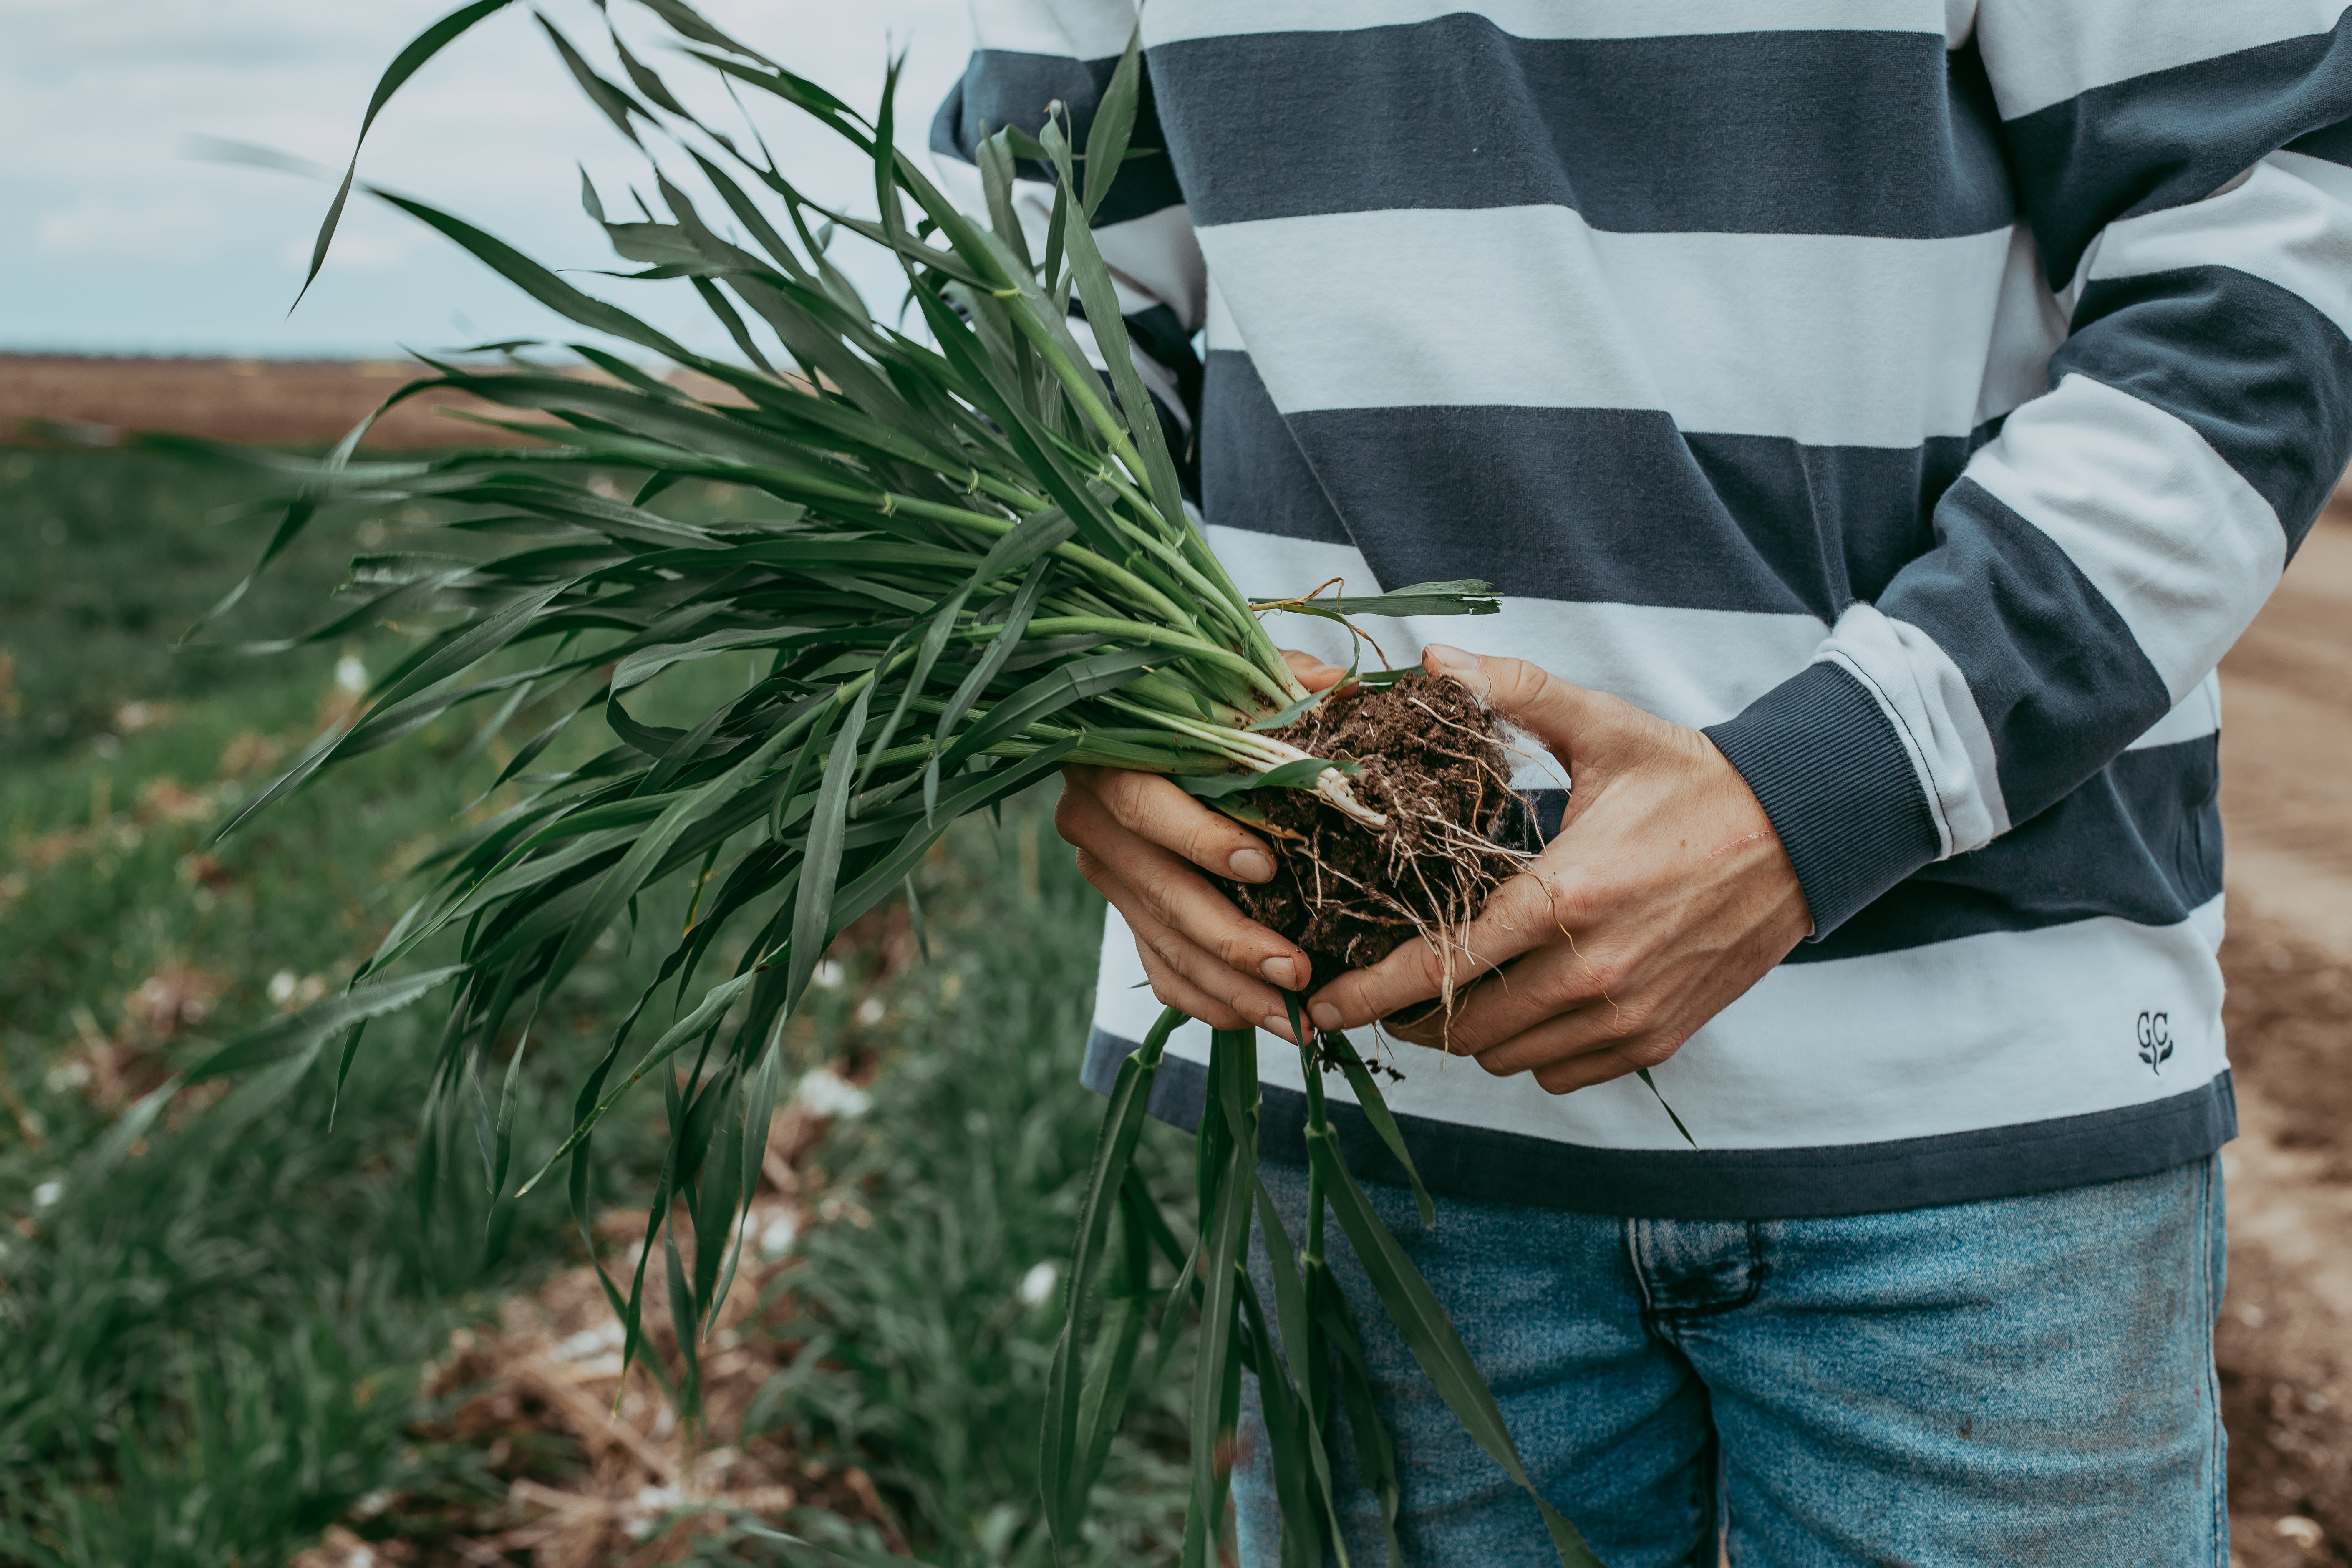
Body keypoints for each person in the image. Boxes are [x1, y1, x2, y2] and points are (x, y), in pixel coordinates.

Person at [933, 3, 2352, 1561]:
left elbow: (2264, 250)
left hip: (1960, 1116)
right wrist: (1116, 703)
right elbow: (1031, 283)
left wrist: (1822, 795)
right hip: (1371, 1105)